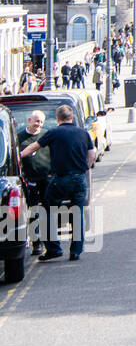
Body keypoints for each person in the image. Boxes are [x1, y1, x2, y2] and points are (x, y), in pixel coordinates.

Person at [20, 104, 94, 261]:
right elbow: (92, 154)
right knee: (77, 213)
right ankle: (75, 252)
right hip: (79, 178)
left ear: (58, 119)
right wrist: (83, 169)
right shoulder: (83, 133)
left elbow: (33, 147)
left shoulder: (53, 133)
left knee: (46, 210)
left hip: (60, 179)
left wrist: (19, 155)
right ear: (72, 117)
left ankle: (54, 248)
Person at [18, 110, 51, 258]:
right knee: (33, 213)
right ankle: (36, 243)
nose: (38, 124)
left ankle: (47, 242)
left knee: (47, 211)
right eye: (36, 121)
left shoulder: (46, 135)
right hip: (28, 181)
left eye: (41, 122)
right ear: (29, 120)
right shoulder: (19, 137)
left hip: (46, 179)